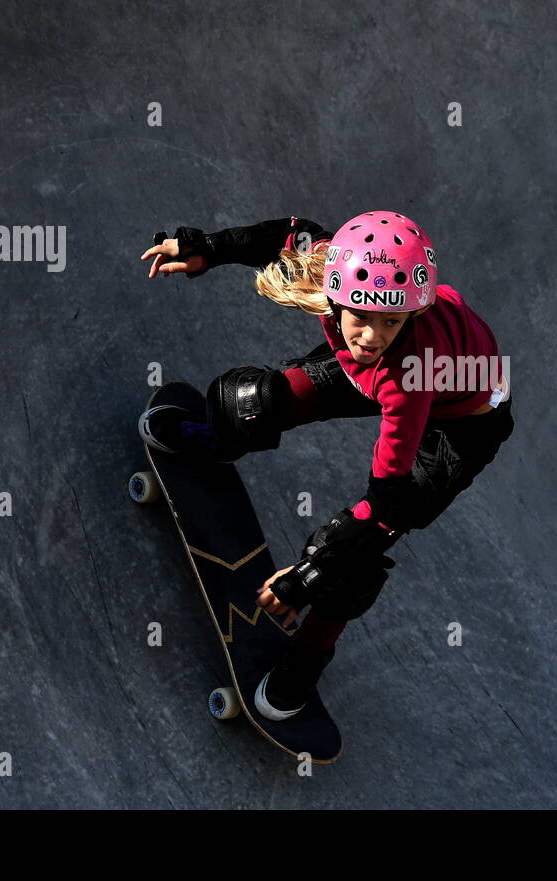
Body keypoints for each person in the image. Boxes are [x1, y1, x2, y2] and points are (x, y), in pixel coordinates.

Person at [138, 211, 514, 721]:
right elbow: (281, 236)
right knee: (248, 403)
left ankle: (305, 664)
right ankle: (212, 442)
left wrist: (308, 573)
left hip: (462, 426)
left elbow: (384, 503)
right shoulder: (335, 263)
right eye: (362, 314)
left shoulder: (409, 371)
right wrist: (206, 247)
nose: (371, 336)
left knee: (347, 556)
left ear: (410, 316)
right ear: (336, 292)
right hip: (414, 374)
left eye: (391, 321)